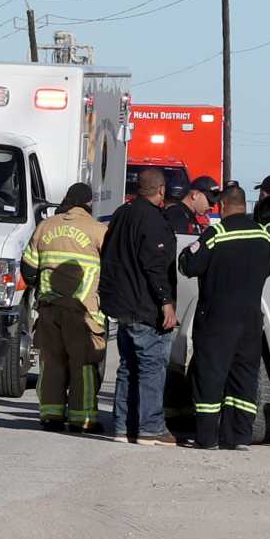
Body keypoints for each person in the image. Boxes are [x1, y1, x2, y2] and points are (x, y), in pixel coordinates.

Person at [178, 185, 270, 450]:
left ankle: (207, 438)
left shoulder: (216, 234)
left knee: (211, 375)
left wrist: (186, 254)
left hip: (218, 318)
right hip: (251, 319)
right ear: (245, 205)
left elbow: (189, 265)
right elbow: (267, 269)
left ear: (223, 206)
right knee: (244, 376)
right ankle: (239, 436)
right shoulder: (263, 236)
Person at [101, 167, 179, 446]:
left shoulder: (122, 215)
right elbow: (155, 266)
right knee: (151, 367)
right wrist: (166, 302)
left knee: (127, 367)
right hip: (145, 307)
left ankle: (122, 427)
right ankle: (149, 428)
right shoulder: (153, 220)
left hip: (122, 306)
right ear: (161, 191)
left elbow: (108, 255)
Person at [22, 182, 108, 433]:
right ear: (89, 204)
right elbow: (113, 270)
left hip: (49, 310)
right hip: (83, 313)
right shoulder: (98, 230)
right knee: (84, 365)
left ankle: (51, 415)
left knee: (52, 364)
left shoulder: (45, 227)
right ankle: (83, 419)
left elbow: (28, 271)